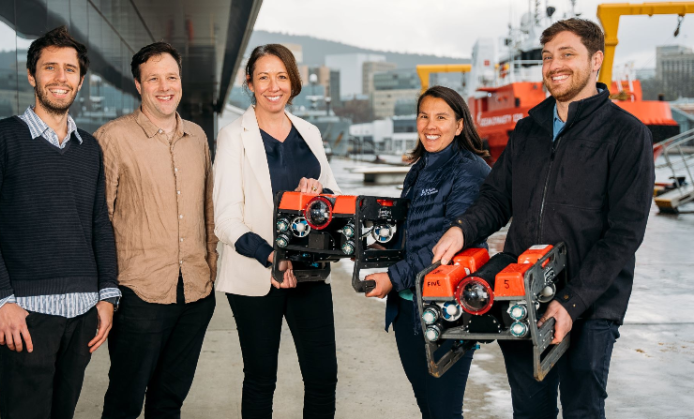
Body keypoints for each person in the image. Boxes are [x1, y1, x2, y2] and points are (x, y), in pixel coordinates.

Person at [432, 18, 654, 418]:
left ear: (596, 60)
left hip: (592, 302)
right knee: (530, 411)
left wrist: (572, 302)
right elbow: (496, 199)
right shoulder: (527, 131)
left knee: (582, 409)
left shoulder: (627, 134)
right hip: (522, 292)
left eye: (567, 54)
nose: (554, 65)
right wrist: (461, 229)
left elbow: (625, 233)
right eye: (547, 57)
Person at [0, 26, 119, 419]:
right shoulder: (0, 139)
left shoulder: (90, 149)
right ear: (32, 76)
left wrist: (106, 296)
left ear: (80, 81)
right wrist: (2, 303)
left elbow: (100, 224)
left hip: (83, 312)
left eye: (69, 69)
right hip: (26, 315)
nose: (60, 77)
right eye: (50, 68)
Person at [213, 44, 341, 418]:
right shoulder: (233, 136)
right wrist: (273, 257)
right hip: (257, 275)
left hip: (310, 273)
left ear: (293, 82)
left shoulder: (310, 132)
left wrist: (320, 195)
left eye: (282, 76)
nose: (274, 85)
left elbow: (334, 196)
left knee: (323, 378)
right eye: (264, 76)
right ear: (249, 82)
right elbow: (225, 218)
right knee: (260, 378)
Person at [95, 42, 218, 418]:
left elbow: (208, 208)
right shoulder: (112, 139)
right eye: (153, 79)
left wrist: (211, 267)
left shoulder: (197, 138)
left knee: (170, 401)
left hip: (196, 292)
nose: (164, 86)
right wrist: (105, 292)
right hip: (139, 295)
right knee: (125, 401)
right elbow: (98, 218)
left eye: (172, 77)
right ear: (138, 85)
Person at [363, 86, 490, 418]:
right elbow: (415, 233)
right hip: (409, 308)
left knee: (444, 411)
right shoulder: (420, 168)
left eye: (441, 117)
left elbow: (445, 246)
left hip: (446, 308)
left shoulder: (469, 170)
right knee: (429, 409)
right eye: (424, 116)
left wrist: (392, 276)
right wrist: (378, 248)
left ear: (460, 125)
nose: (430, 125)